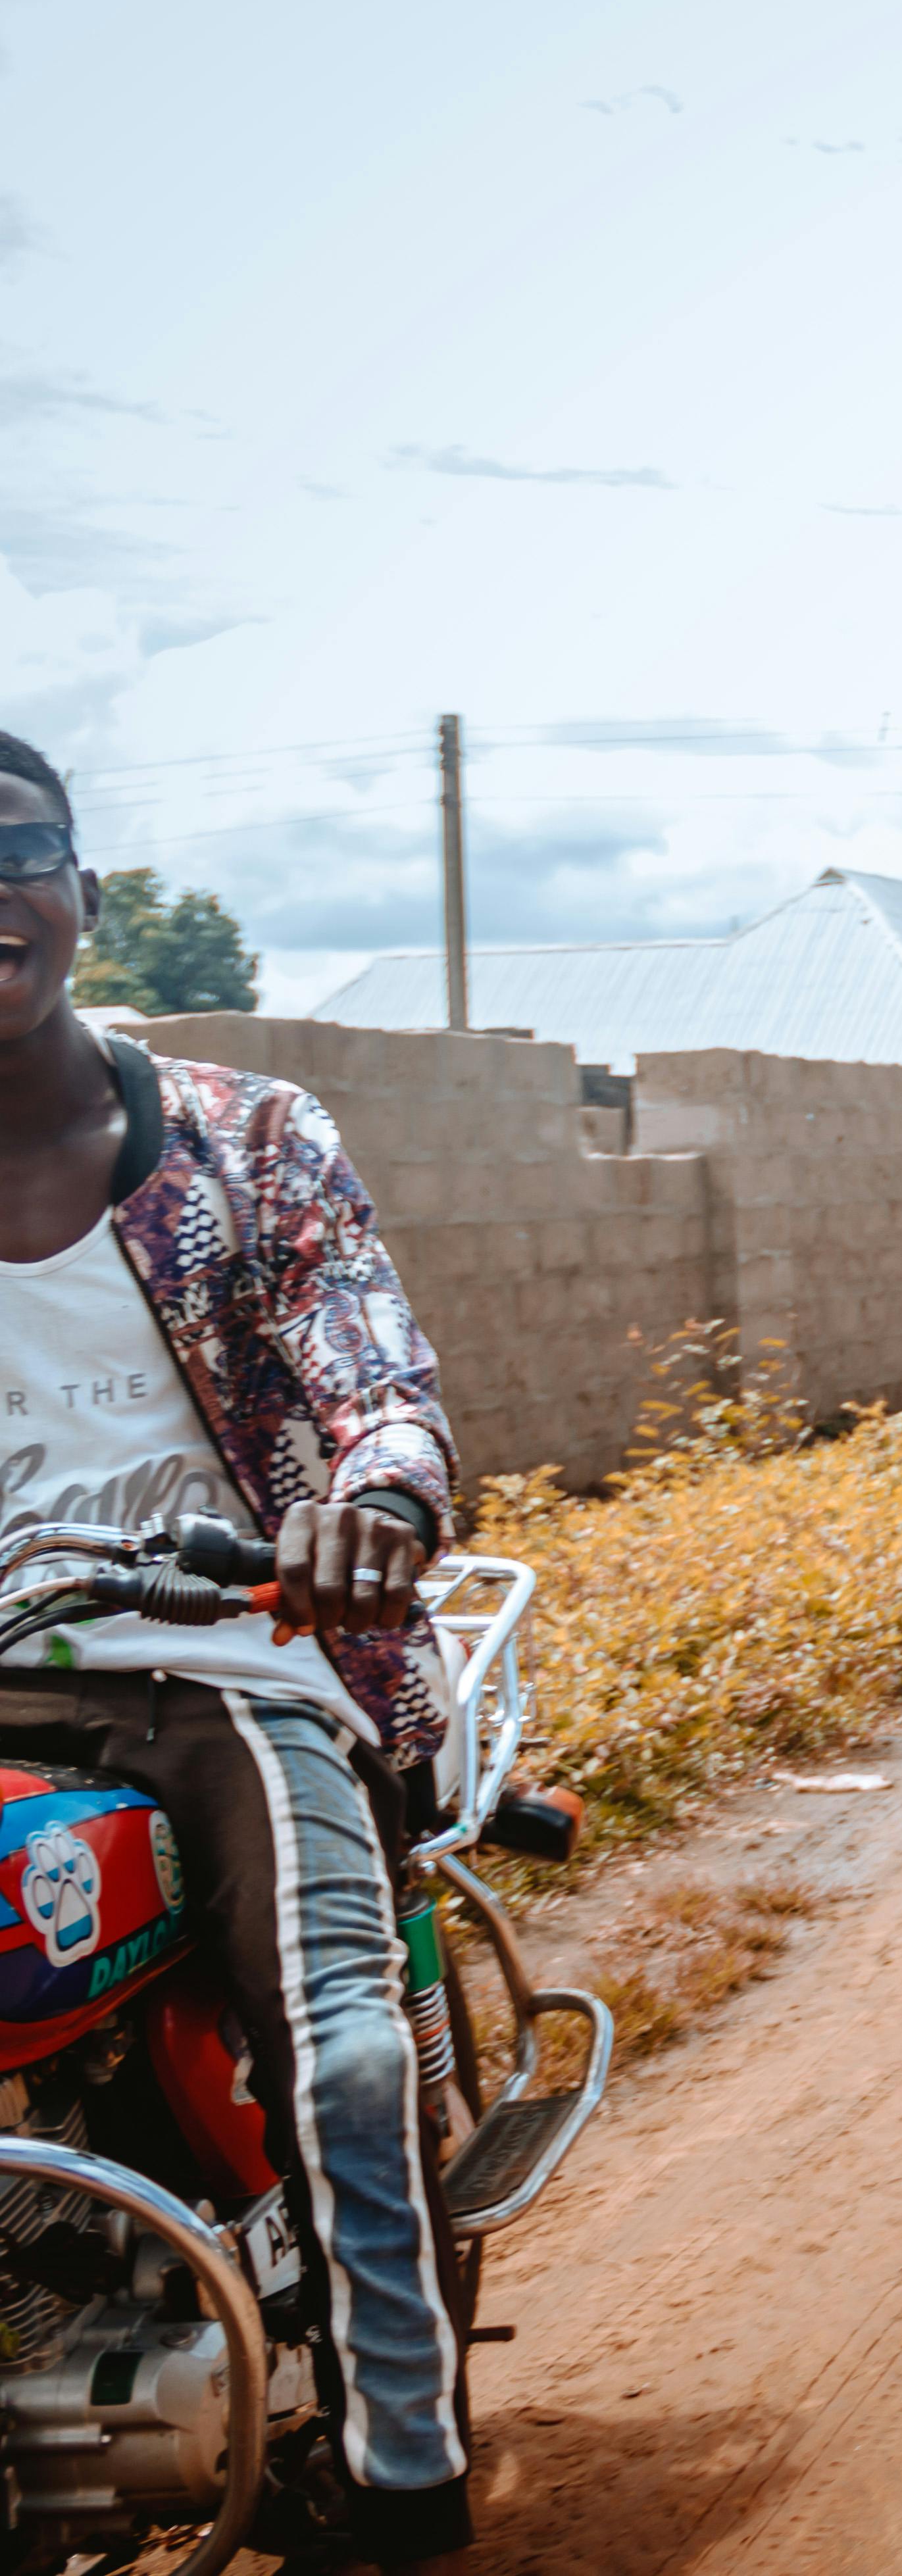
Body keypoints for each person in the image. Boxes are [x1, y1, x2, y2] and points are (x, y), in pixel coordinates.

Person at [0, 730, 474, 2570]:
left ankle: (400, 2459)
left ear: (81, 898)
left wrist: (377, 1504)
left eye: (12, 853)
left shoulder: (245, 1137)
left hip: (221, 1656)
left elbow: (377, 1376)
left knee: (345, 2049)